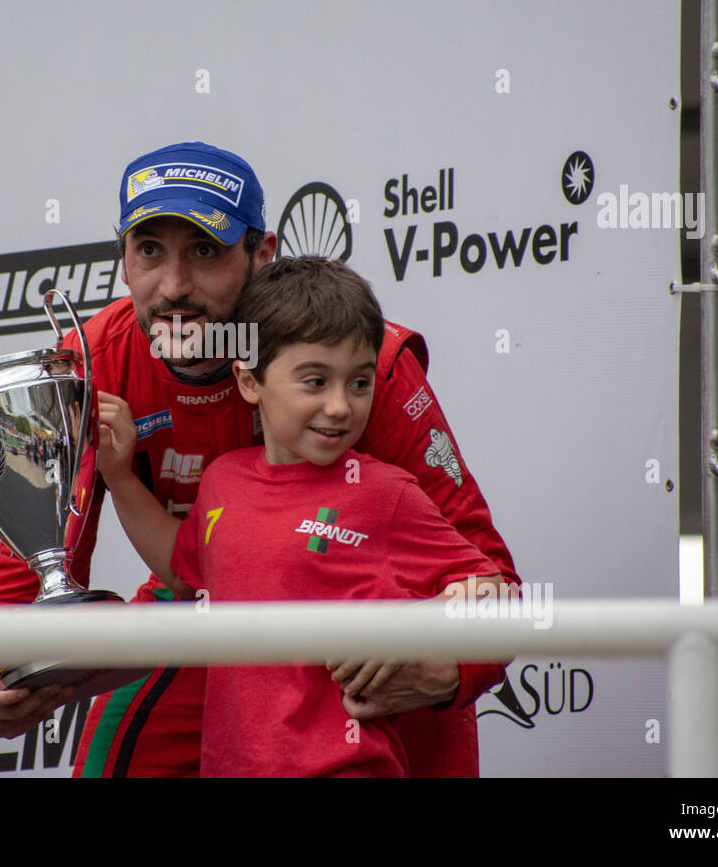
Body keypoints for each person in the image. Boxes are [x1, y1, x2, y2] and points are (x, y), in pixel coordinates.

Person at [0, 140, 518, 777]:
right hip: (205, 611)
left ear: (262, 254)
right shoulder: (96, 363)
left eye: (205, 251)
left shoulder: (365, 365)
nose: (174, 288)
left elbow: (494, 581)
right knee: (113, 755)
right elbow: (37, 565)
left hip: (363, 650)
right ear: (122, 260)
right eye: (150, 251)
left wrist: (448, 666)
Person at [96, 257, 504, 775]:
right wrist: (121, 479)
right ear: (249, 381)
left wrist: (423, 625)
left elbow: (490, 589)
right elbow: (184, 568)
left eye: (359, 383)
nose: (339, 406)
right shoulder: (225, 481)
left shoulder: (387, 492)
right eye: (315, 381)